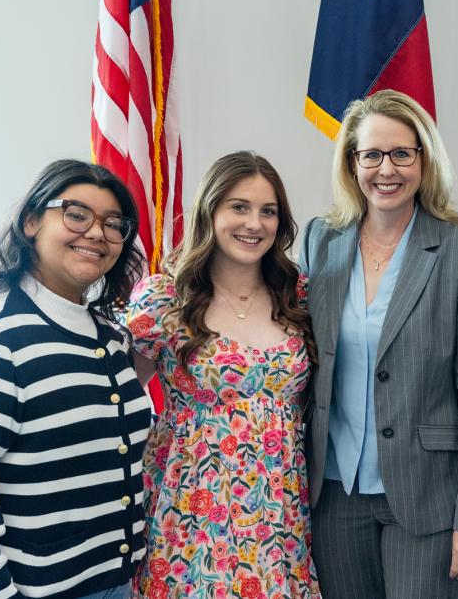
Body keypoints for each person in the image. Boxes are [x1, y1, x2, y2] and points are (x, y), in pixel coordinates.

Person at [299, 89, 458, 599]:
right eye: (371, 155)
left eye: (401, 154)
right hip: (335, 493)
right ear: (352, 163)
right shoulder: (319, 240)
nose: (385, 169)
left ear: (423, 160)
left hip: (428, 495)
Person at [0, 159, 150, 599]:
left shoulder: (108, 335)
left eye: (113, 223)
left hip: (116, 584)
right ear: (31, 221)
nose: (97, 233)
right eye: (77, 214)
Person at [122, 152, 320, 599]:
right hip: (190, 505)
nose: (254, 223)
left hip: (277, 507)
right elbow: (121, 404)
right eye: (239, 207)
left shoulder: (300, 296)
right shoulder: (164, 299)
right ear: (210, 210)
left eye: (268, 211)